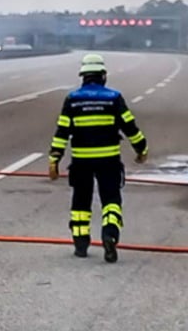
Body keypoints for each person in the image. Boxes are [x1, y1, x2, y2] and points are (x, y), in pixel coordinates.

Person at [48, 53, 148, 262]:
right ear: (103, 75)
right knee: (111, 199)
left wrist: (54, 158)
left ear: (83, 76)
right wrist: (141, 149)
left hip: (81, 161)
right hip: (108, 160)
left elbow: (62, 131)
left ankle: (81, 245)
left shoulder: (72, 99)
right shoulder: (113, 97)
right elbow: (130, 126)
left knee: (81, 202)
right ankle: (109, 234)